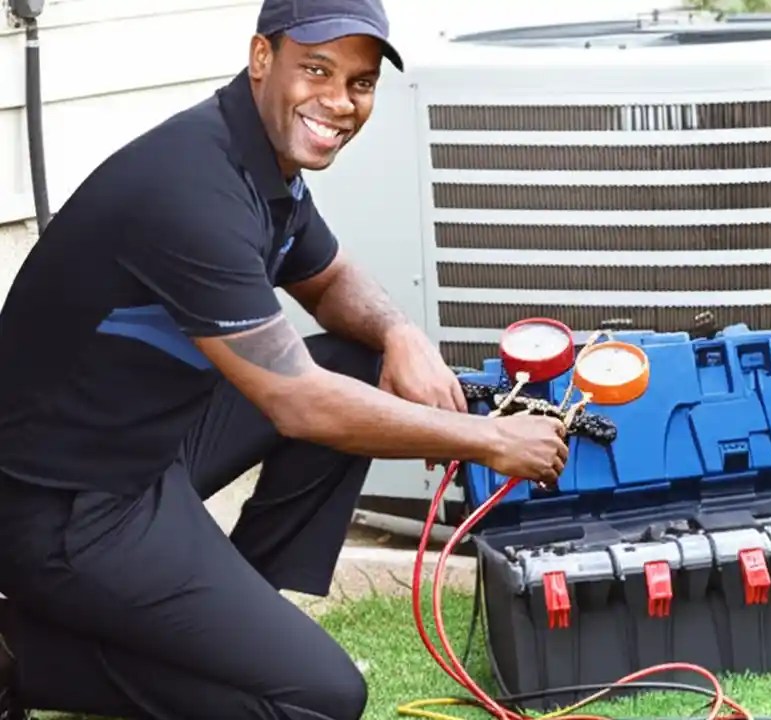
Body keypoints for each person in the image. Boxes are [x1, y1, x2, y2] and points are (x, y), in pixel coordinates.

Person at [0, 0, 570, 718]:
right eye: (318, 70)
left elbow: (328, 277)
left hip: (144, 445)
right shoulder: (190, 190)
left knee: (359, 357)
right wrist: (490, 439)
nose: (339, 102)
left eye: (360, 83)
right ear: (262, 59)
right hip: (61, 508)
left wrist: (400, 334)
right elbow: (296, 400)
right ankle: (28, 657)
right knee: (321, 698)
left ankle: (228, 611)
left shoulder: (258, 158)